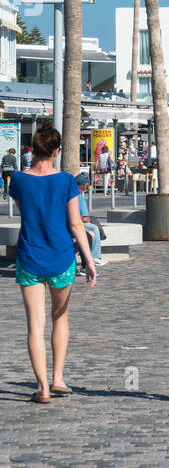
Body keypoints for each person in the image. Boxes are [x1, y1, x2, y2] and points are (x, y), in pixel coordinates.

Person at [8, 125, 96, 404]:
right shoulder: (67, 181)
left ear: (33, 150)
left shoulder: (18, 180)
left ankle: (43, 388)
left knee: (35, 326)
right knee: (60, 318)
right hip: (61, 258)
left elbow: (26, 209)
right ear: (57, 152)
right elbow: (75, 224)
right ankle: (58, 378)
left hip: (30, 256)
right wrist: (89, 260)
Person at [75, 174, 104, 269]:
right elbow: (84, 217)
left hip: (73, 222)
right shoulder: (78, 196)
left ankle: (92, 258)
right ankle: (94, 257)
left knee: (92, 229)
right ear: (83, 185)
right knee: (93, 229)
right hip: (75, 223)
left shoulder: (74, 194)